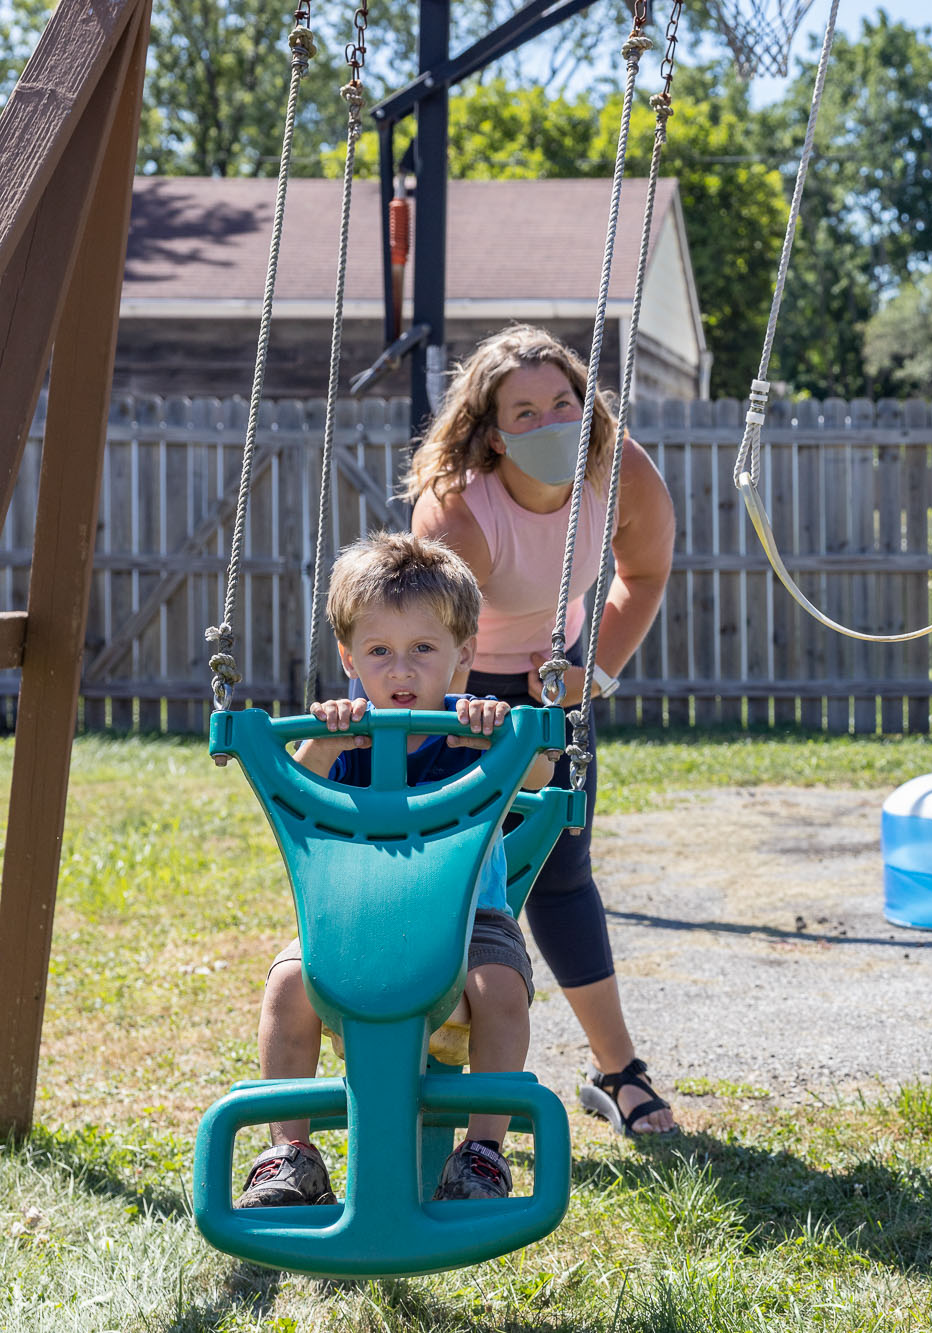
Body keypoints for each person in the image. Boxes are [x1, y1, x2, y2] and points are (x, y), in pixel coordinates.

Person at [406, 324, 679, 1136]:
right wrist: (466, 722)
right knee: (447, 877)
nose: (552, 420)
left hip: (550, 681)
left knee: (561, 871)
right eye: (526, 412)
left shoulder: (617, 467)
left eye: (563, 401)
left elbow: (648, 570)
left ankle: (617, 1071)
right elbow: (430, 640)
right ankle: (421, 1066)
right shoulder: (459, 505)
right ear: (492, 432)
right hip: (448, 681)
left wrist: (587, 676)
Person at [235, 533, 555, 1207]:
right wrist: (325, 738)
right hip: (355, 928)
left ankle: (482, 1153)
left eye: (423, 650)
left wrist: (496, 736)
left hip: (470, 928)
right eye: (379, 652)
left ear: (462, 656)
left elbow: (540, 769)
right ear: (350, 657)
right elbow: (293, 788)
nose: (401, 671)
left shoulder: (473, 738)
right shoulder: (346, 741)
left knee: (501, 988)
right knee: (290, 982)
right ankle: (289, 1152)